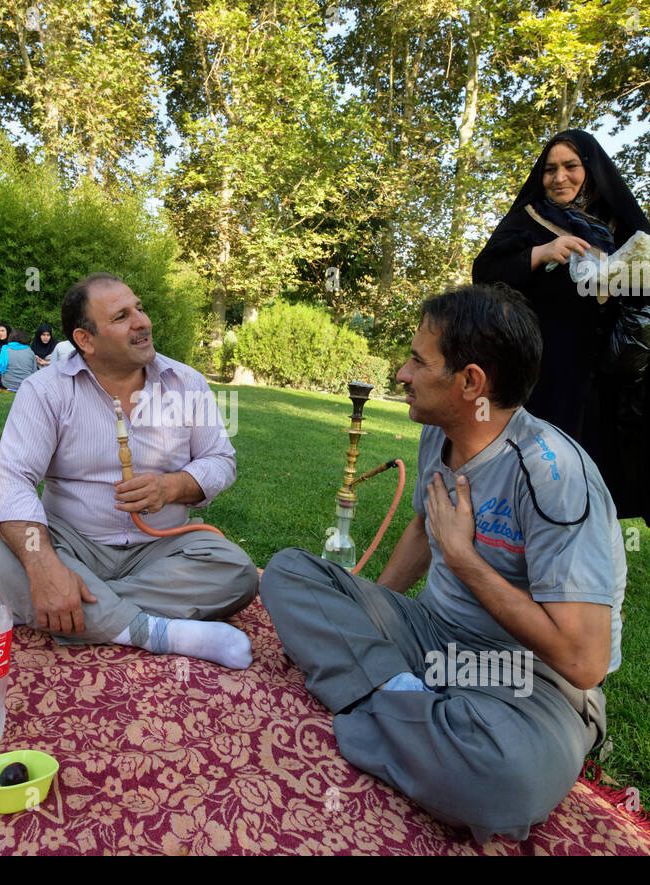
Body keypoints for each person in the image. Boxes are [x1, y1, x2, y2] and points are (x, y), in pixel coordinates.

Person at [261, 284, 624, 843]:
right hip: (431, 635)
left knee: (508, 782)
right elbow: (421, 528)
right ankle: (409, 707)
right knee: (289, 572)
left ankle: (379, 702)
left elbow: (584, 661)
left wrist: (466, 559)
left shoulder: (556, 477)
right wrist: (369, 608)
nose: (401, 373)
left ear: (471, 381)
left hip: (527, 680)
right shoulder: (440, 432)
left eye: (417, 360)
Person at [0, 273, 258, 668]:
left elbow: (220, 460)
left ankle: (74, 607)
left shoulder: (186, 383)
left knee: (237, 572)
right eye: (122, 317)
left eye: (139, 308)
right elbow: (12, 479)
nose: (142, 322)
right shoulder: (46, 389)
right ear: (85, 340)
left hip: (160, 550)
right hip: (70, 543)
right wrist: (45, 566)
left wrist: (173, 486)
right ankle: (155, 632)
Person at [472, 128, 650, 529]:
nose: (559, 177)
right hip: (550, 365)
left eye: (570, 166)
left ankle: (589, 539)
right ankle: (527, 533)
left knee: (599, 463)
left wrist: (628, 273)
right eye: (549, 169)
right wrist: (540, 253)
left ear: (591, 170)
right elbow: (485, 272)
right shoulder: (528, 220)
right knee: (545, 463)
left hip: (610, 370)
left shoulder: (620, 223)